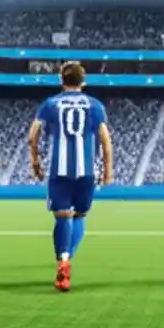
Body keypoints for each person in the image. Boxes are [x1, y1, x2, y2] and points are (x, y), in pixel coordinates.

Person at [28, 61, 113, 292]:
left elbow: (33, 135)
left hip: (59, 170)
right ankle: (66, 260)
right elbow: (105, 140)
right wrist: (107, 170)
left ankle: (63, 261)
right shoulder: (95, 105)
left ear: (61, 80)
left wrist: (35, 161)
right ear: (83, 81)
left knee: (62, 216)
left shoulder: (50, 104)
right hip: (86, 172)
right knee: (80, 215)